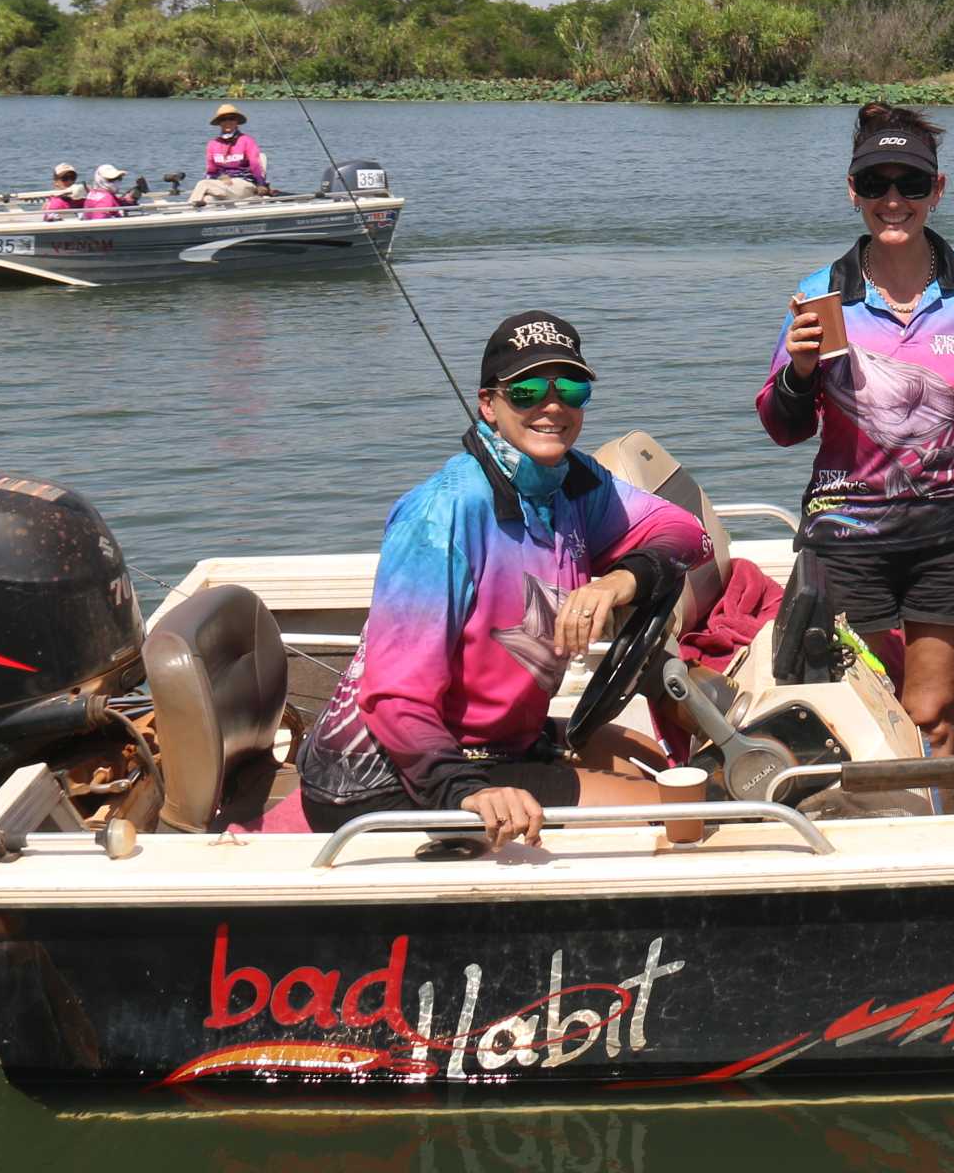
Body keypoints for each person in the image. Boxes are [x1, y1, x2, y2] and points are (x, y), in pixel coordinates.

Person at [294, 312, 712, 847]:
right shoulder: (443, 512)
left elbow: (688, 534)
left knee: (655, 762)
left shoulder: (577, 484)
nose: (552, 405)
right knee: (679, 818)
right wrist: (465, 792)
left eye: (572, 388)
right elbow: (395, 698)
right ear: (489, 405)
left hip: (498, 743)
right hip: (386, 774)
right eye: (528, 390)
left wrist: (617, 582)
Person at [758, 104, 954, 754]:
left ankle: (926, 837)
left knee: (930, 714)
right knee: (865, 718)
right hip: (848, 537)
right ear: (854, 193)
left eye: (910, 184)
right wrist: (798, 369)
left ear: (938, 190)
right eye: (876, 184)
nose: (893, 200)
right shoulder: (821, 293)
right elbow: (781, 427)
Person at [190, 104, 268, 204]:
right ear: (219, 123)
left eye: (231, 119)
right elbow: (211, 172)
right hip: (223, 185)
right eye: (223, 119)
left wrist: (261, 184)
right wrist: (220, 176)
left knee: (203, 184)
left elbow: (255, 166)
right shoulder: (213, 144)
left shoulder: (247, 141)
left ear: (236, 122)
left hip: (244, 184)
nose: (227, 122)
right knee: (207, 200)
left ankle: (183, 215)